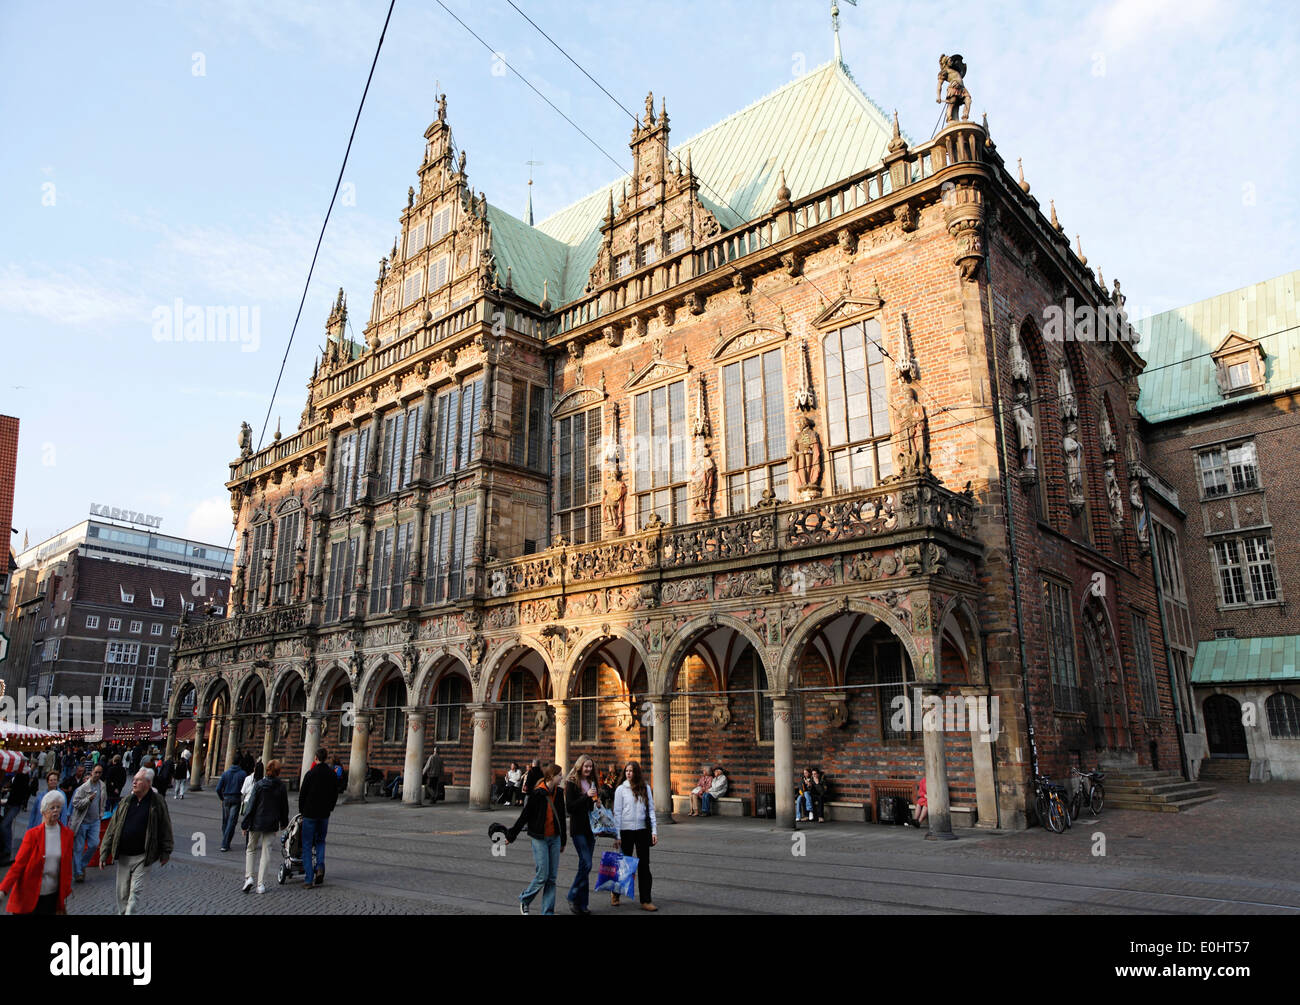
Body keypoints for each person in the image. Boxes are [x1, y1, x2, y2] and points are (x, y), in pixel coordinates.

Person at [99, 768, 173, 915]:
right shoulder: (126, 801)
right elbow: (113, 827)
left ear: (148, 783)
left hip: (143, 855)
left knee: (135, 892)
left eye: (138, 780)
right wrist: (104, 852)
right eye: (134, 779)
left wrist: (166, 851)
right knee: (122, 893)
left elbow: (165, 826)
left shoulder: (157, 802)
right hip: (124, 855)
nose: (134, 782)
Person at [0, 790, 74, 914]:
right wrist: (3, 890)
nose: (55, 810)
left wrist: (66, 890)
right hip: (29, 895)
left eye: (58, 807)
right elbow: (18, 865)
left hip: (52, 896)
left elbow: (67, 865)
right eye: (52, 807)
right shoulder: (32, 835)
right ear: (44, 811)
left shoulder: (67, 835)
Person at [507, 762, 566, 915]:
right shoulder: (537, 793)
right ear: (552, 776)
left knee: (552, 878)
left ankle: (548, 912)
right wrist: (511, 835)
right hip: (540, 838)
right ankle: (525, 899)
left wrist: (563, 840)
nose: (562, 778)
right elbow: (524, 816)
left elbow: (560, 817)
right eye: (560, 775)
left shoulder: (559, 793)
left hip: (555, 838)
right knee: (542, 876)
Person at [610, 761, 657, 911]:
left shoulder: (646, 788)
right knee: (624, 864)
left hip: (643, 830)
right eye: (626, 771)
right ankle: (616, 893)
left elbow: (651, 810)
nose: (628, 773)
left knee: (644, 866)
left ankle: (646, 900)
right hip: (626, 830)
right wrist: (617, 835)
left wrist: (654, 831)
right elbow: (617, 813)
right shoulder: (620, 790)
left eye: (631, 771)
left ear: (636, 772)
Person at [240, 759, 289, 894]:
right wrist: (283, 823)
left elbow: (251, 805)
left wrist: (245, 824)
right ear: (278, 772)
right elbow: (284, 807)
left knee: (251, 849)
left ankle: (249, 877)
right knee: (266, 852)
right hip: (271, 823)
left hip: (256, 821)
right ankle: (260, 884)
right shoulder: (281, 787)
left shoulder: (259, 785)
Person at [564, 755, 601, 915]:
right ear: (579, 766)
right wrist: (586, 796)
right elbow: (570, 807)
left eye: (590, 767)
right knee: (587, 864)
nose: (588, 769)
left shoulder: (591, 782)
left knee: (584, 867)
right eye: (586, 766)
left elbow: (591, 805)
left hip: (590, 829)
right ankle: (572, 894)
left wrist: (596, 802)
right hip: (578, 828)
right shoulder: (571, 783)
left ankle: (582, 904)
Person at [298, 747, 338, 889]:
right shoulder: (331, 774)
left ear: (316, 758)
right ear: (326, 758)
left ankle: (309, 879)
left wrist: (302, 811)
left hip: (310, 814)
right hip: (324, 814)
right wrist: (330, 808)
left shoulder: (310, 774)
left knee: (307, 845)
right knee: (320, 841)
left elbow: (302, 795)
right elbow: (335, 794)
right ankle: (320, 866)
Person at [69, 764, 107, 883]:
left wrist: (101, 813)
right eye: (96, 772)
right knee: (79, 848)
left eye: (100, 773)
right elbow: (75, 803)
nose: (97, 775)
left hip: (95, 820)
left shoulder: (102, 786)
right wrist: (88, 800)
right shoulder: (83, 788)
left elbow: (103, 800)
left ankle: (81, 865)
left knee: (94, 844)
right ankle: (78, 873)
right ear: (91, 773)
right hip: (82, 822)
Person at [214, 755, 247, 853]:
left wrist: (222, 798)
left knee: (225, 821)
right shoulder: (242, 774)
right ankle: (225, 843)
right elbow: (244, 788)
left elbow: (218, 789)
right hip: (236, 799)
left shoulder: (225, 773)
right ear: (240, 763)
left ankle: (226, 841)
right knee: (232, 822)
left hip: (226, 798)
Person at [1, 768, 31, 864]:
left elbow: (23, 790)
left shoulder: (23, 775)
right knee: (7, 826)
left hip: (15, 804)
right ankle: (7, 848)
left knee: (4, 825)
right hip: (9, 803)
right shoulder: (13, 774)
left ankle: (7, 848)